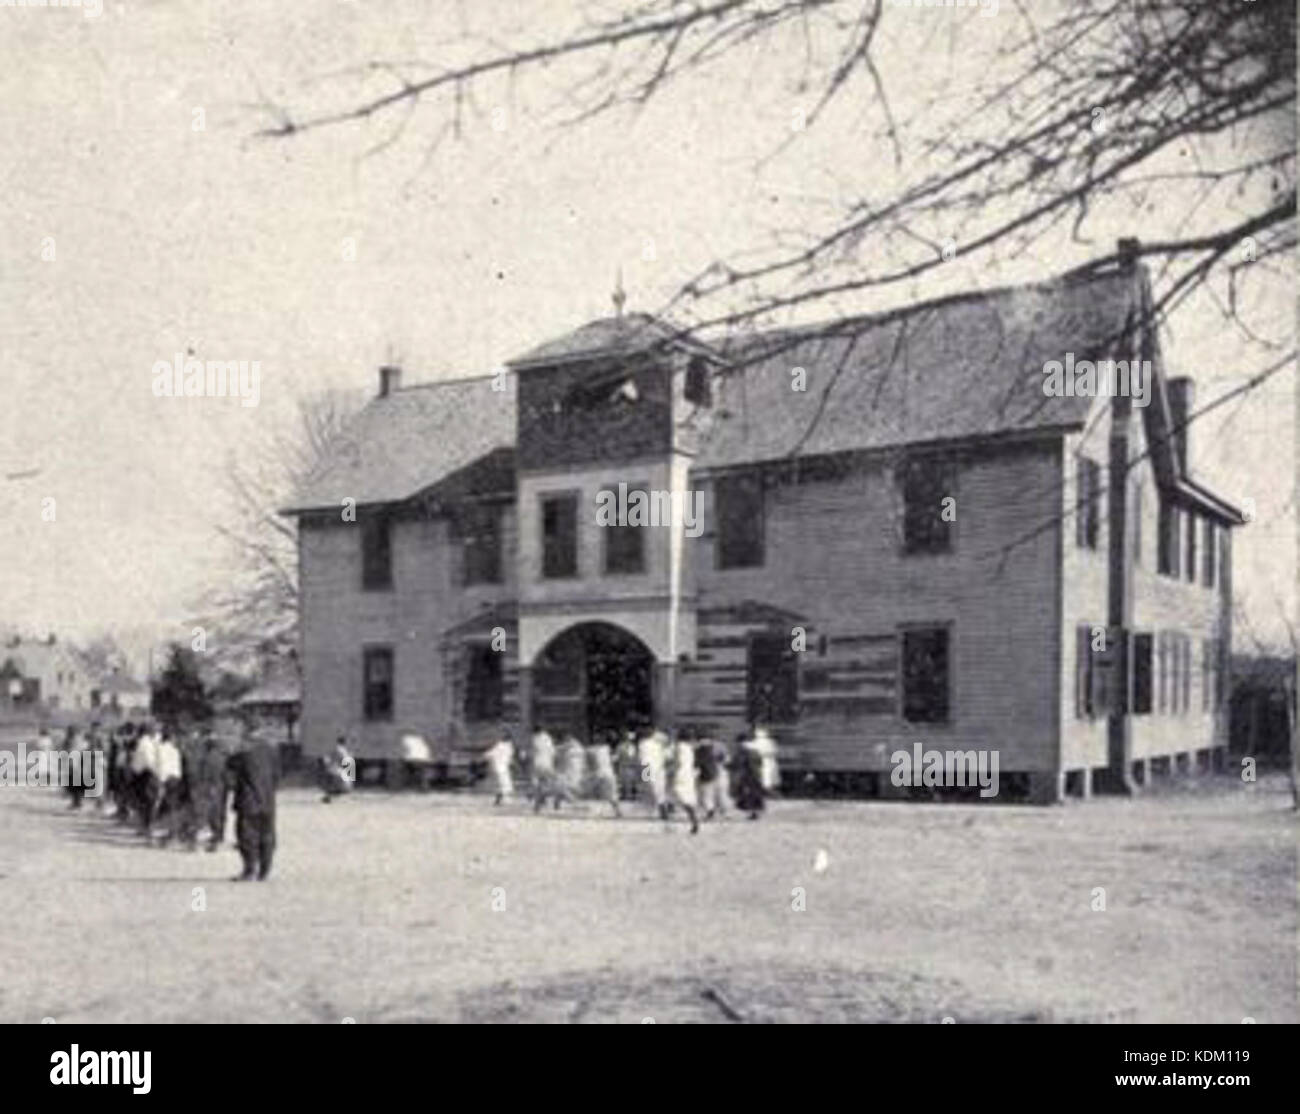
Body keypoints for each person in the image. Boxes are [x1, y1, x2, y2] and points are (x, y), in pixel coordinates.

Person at [227, 729, 278, 881]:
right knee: (267, 835)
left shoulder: (243, 753)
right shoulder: (272, 751)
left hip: (248, 801)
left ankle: (250, 870)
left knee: (247, 836)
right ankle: (265, 870)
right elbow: (277, 775)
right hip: (268, 800)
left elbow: (230, 764)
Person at [192, 727, 229, 851]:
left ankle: (213, 841)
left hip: (209, 787)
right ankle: (218, 837)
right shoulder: (222, 756)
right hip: (221, 786)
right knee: (219, 814)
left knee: (208, 814)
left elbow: (203, 774)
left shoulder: (207, 758)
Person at [154, 728, 185, 845]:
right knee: (173, 807)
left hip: (166, 780)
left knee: (166, 807)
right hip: (176, 780)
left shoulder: (161, 749)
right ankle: (172, 833)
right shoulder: (175, 750)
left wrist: (161, 781)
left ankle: (169, 834)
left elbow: (161, 765)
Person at [130, 723, 160, 836]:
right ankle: (147, 827)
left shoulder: (145, 742)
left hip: (141, 774)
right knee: (149, 802)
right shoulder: (146, 742)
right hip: (147, 774)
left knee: (144, 802)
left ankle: (144, 826)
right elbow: (148, 761)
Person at [668, 730, 700, 834]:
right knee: (686, 797)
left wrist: (671, 771)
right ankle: (692, 819)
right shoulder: (689, 748)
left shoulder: (678, 747)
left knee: (680, 796)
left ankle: (693, 819)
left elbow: (677, 762)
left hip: (680, 774)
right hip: (688, 774)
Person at [586, 732, 621, 817]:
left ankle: (609, 811)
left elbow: (590, 763)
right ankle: (614, 811)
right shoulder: (605, 749)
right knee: (609, 794)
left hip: (600, 773)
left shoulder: (592, 750)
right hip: (605, 773)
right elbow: (614, 759)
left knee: (604, 793)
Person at [637, 726, 668, 820]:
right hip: (659, 767)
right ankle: (661, 806)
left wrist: (643, 773)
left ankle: (656, 808)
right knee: (660, 788)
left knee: (649, 788)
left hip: (647, 767)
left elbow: (643, 758)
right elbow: (664, 755)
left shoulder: (642, 744)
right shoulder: (658, 744)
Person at [731, 731, 765, 819]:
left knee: (747, 794)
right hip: (757, 774)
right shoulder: (755, 750)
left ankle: (752, 813)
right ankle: (755, 812)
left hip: (747, 775)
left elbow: (737, 763)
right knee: (755, 793)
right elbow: (760, 762)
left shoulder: (742, 750)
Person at [695, 729, 726, 821]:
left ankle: (710, 810)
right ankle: (721, 810)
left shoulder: (698, 749)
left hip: (705, 774)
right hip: (716, 771)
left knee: (706, 794)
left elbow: (697, 762)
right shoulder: (718, 746)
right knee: (719, 792)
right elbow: (724, 758)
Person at [530, 726, 557, 813]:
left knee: (537, 785)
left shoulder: (534, 739)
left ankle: (537, 805)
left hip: (537, 763)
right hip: (548, 763)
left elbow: (532, 751)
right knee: (547, 783)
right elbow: (553, 752)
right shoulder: (548, 738)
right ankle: (553, 800)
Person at [556, 732, 586, 808]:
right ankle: (558, 802)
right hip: (571, 769)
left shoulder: (573, 746)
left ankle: (572, 802)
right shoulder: (578, 747)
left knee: (565, 786)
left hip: (572, 769)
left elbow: (561, 749)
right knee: (562, 785)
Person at [485, 730, 515, 805]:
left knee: (501, 784)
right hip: (502, 767)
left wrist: (485, 755)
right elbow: (510, 758)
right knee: (504, 784)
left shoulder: (500, 745)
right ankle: (504, 800)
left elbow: (490, 754)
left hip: (498, 767)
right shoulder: (508, 747)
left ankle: (498, 800)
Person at [321, 736, 354, 802]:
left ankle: (328, 796)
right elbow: (347, 763)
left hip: (331, 770)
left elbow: (326, 760)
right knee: (346, 786)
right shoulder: (343, 751)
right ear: (345, 743)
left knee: (333, 786)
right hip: (339, 771)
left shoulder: (333, 749)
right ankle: (334, 797)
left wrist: (328, 767)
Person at [753, 724, 780, 795]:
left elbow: (775, 751)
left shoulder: (769, 742)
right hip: (764, 760)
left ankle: (769, 790)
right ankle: (767, 790)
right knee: (766, 776)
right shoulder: (765, 741)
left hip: (767, 760)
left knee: (768, 775)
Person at [615, 731, 639, 801]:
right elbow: (617, 756)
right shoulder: (621, 746)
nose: (628, 741)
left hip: (630, 766)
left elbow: (633, 756)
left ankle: (630, 795)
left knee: (630, 781)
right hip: (624, 766)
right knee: (624, 781)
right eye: (627, 739)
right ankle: (626, 795)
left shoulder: (632, 747)